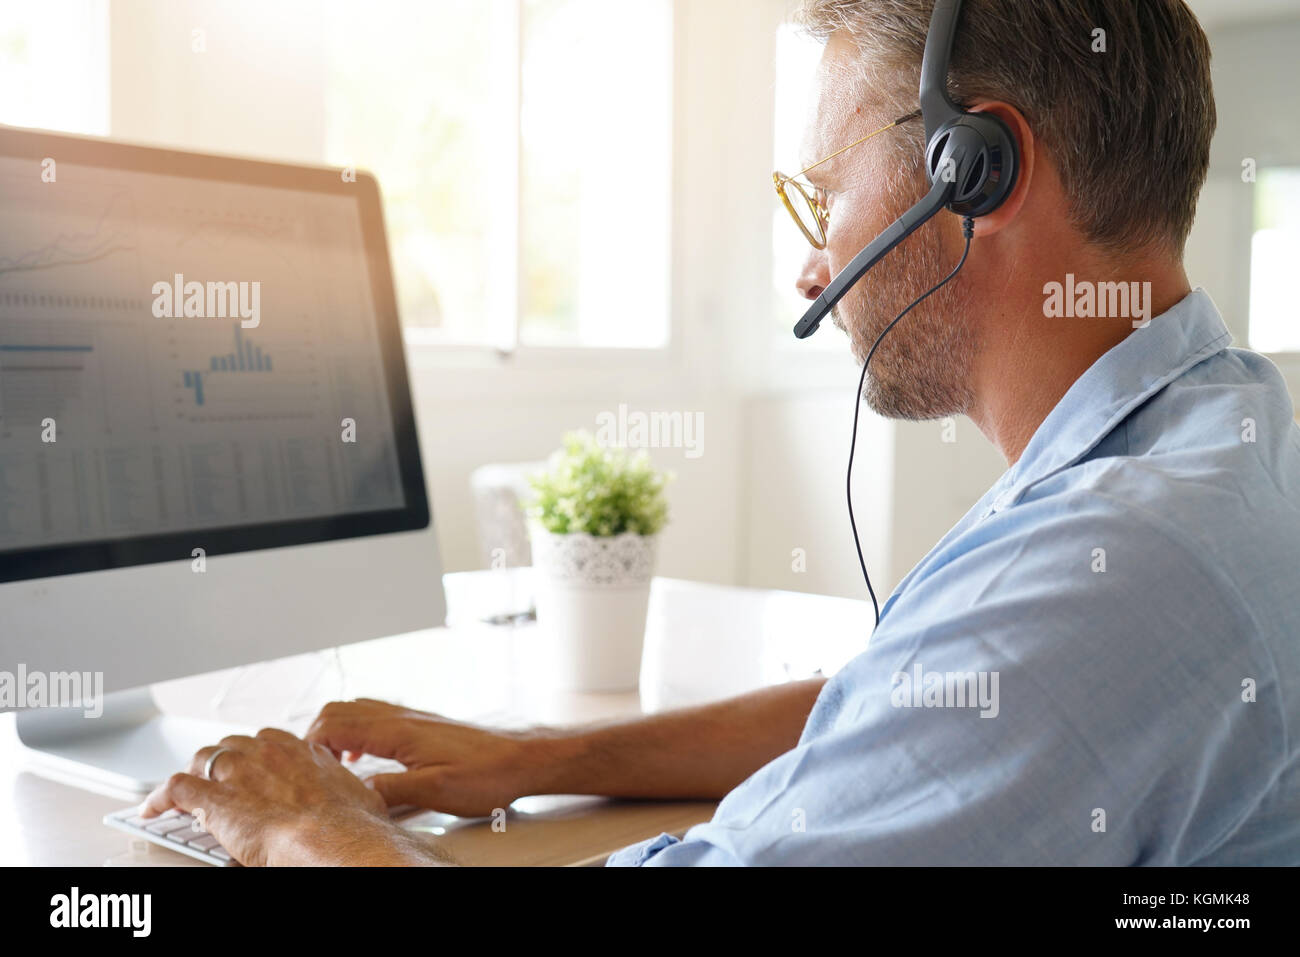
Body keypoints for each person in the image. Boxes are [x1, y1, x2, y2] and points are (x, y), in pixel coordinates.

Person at [141, 0, 1300, 865]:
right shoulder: (1206, 429)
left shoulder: (1127, 564)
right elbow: (926, 705)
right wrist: (537, 756)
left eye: (820, 194)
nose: (810, 262)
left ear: (976, 173)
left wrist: (304, 826)